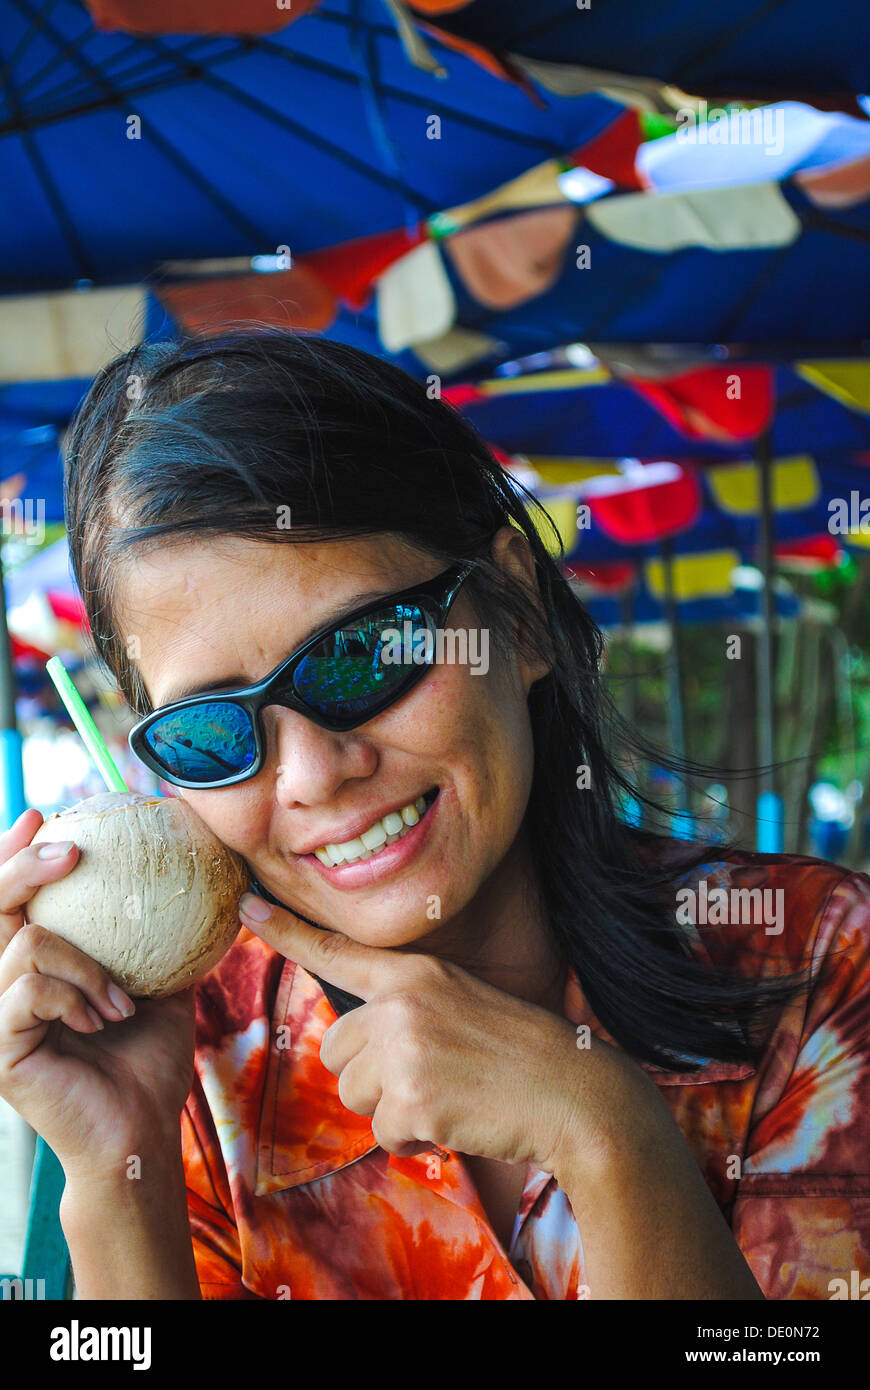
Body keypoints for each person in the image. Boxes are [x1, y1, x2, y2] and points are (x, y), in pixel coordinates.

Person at [1, 328, 868, 1301]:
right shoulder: (198, 1059)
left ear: (519, 612)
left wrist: (606, 1134)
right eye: (211, 728)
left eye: (365, 652)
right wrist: (120, 1174)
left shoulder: (813, 963)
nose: (313, 775)